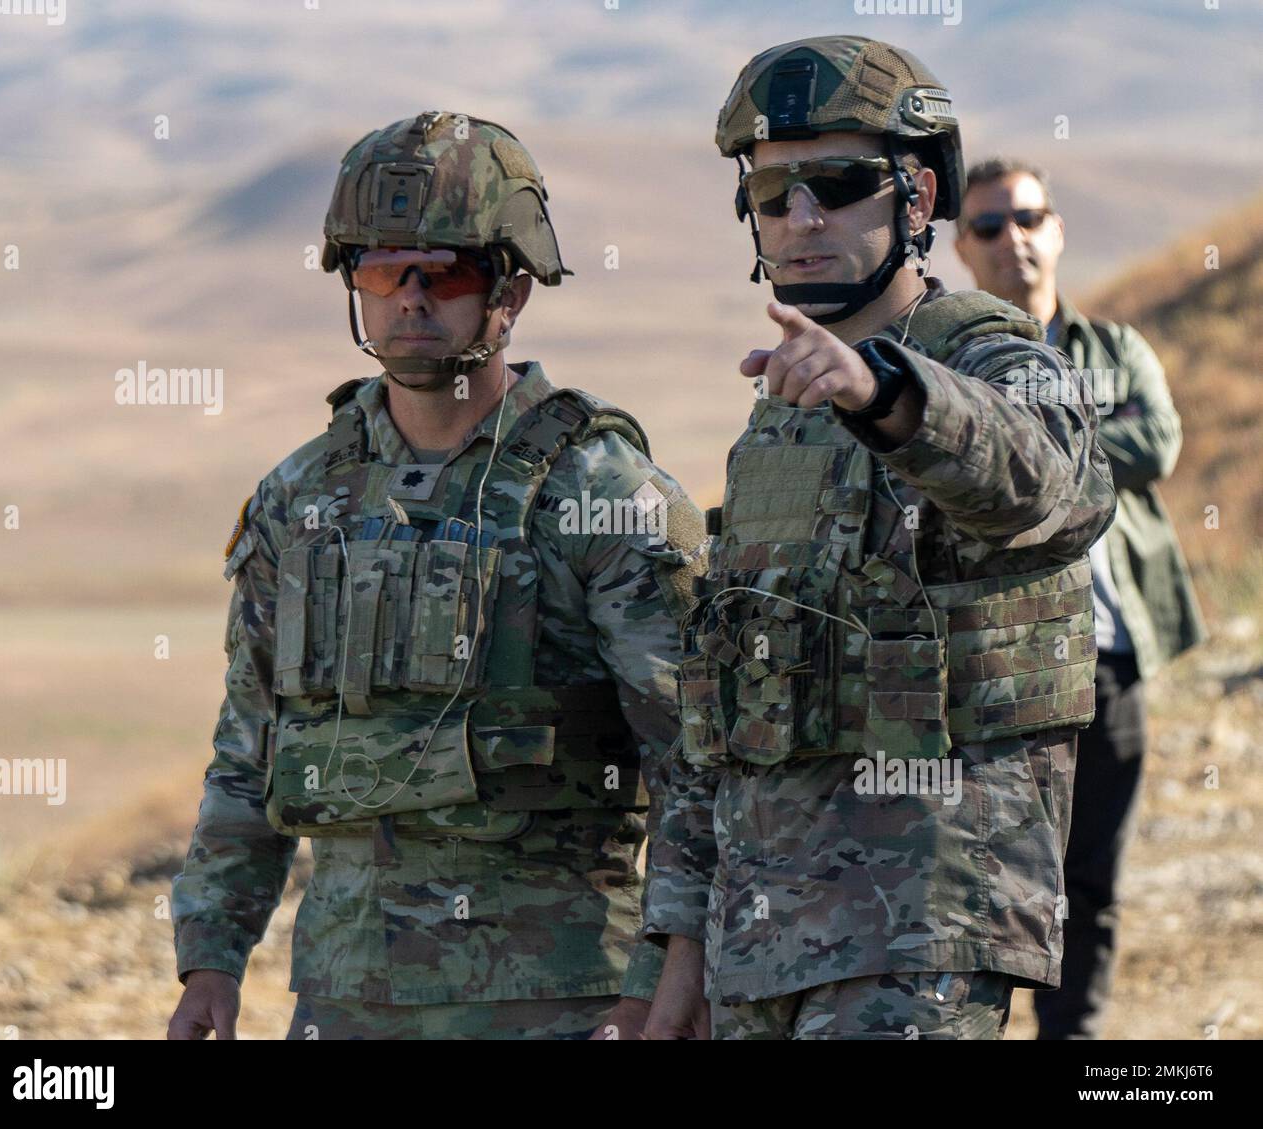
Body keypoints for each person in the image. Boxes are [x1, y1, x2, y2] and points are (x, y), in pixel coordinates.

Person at [166, 111, 706, 1040]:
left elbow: (697, 760)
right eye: (381, 272)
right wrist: (212, 957)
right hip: (342, 994)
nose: (410, 299)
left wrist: (667, 973)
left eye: (446, 272)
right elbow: (249, 751)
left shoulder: (602, 495)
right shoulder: (301, 497)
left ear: (514, 289)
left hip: (564, 996)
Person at [642, 36, 1116, 1040]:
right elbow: (715, 713)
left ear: (916, 199)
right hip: (759, 944)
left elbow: (1054, 480)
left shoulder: (984, 353)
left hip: (919, 928)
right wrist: (681, 952)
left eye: (840, 184)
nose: (801, 218)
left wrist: (890, 393)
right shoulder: (773, 418)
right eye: (773, 194)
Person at [955, 156, 1207, 1039]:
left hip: (1106, 655)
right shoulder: (949, 361)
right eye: (988, 225)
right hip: (991, 672)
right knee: (991, 884)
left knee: (1090, 879)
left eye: (1027, 217)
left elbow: (1159, 442)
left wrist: (1019, 451)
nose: (1011, 240)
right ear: (959, 245)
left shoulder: (1112, 348)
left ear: (1056, 230)